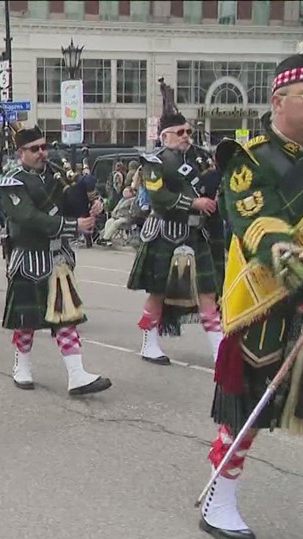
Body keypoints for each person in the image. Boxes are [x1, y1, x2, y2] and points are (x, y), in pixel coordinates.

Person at [201, 40, 303, 539]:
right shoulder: (248, 160)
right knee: (244, 414)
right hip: (265, 304)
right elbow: (262, 228)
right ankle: (219, 499)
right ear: (278, 101)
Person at [0, 125, 111, 396]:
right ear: (20, 153)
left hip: (58, 258)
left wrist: (93, 205)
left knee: (66, 317)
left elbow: (72, 204)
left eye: (44, 147)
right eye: (34, 149)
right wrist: (73, 225)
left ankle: (77, 375)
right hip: (29, 257)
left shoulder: (58, 175)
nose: (42, 153)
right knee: (26, 320)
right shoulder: (12, 182)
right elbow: (28, 217)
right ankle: (22, 366)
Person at [127, 104, 224, 366]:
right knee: (158, 293)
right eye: (180, 132)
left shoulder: (197, 160)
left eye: (188, 131)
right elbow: (158, 197)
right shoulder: (153, 161)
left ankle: (220, 351)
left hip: (195, 233)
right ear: (165, 136)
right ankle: (149, 344)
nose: (186, 136)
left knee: (208, 293)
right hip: (165, 233)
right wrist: (194, 203)